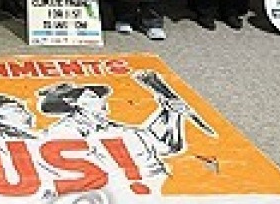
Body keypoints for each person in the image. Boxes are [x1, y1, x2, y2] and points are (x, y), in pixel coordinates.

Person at [39, 82, 189, 193]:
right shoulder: (63, 131)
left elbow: (163, 145)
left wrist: (171, 113)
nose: (101, 101)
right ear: (72, 102)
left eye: (99, 96)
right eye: (91, 96)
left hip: (156, 190)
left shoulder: (110, 127)